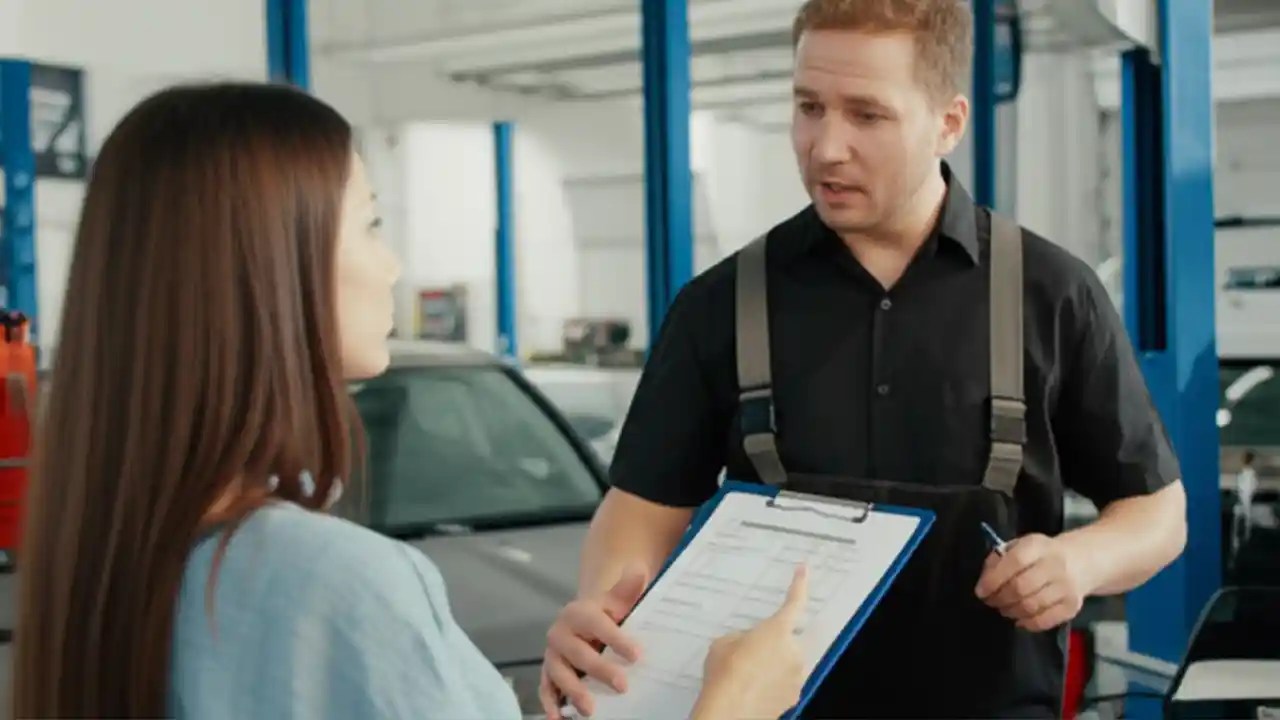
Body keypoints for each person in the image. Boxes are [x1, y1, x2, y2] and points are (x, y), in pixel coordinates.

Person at [10, 82, 810, 720]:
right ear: (267, 272)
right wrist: (732, 704)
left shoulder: (104, 556)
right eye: (369, 223)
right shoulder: (339, 581)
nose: (392, 265)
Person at [541, 1, 1189, 718]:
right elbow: (642, 510)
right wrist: (601, 609)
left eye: (866, 115)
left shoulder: (1051, 294)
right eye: (809, 106)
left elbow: (1158, 513)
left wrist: (1081, 562)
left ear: (949, 121)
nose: (825, 147)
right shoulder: (720, 304)